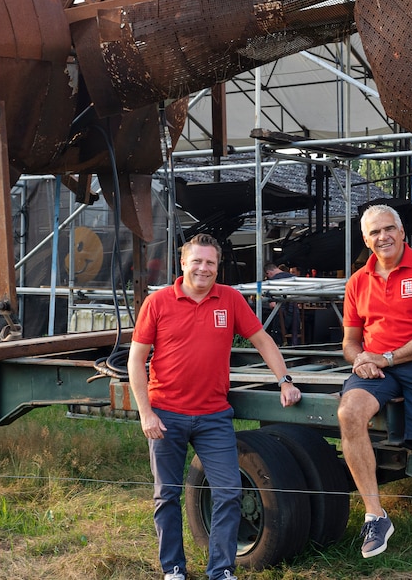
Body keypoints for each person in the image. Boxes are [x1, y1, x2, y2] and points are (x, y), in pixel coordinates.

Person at [128, 234, 302, 580]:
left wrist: (285, 380)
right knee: (166, 495)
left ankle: (220, 569)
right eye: (197, 261)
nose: (203, 268)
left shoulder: (230, 299)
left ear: (217, 266)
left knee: (228, 493)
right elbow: (136, 361)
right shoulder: (158, 302)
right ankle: (173, 569)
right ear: (183, 263)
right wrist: (146, 412)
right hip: (166, 415)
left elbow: (262, 339)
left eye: (210, 263)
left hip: (213, 416)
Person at [338, 204, 412, 580]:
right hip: (378, 365)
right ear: (365, 239)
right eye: (374, 232)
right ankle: (376, 515)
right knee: (349, 413)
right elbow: (350, 342)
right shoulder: (357, 280)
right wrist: (360, 361)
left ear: (404, 233)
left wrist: (387, 358)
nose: (383, 237)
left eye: (389, 229)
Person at [262, 262, 301, 345]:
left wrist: (270, 300)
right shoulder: (293, 278)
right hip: (295, 311)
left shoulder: (271, 282)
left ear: (269, 273)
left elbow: (271, 303)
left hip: (281, 311)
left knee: (278, 337)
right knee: (294, 336)